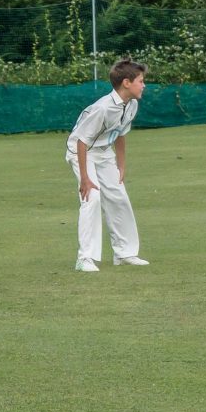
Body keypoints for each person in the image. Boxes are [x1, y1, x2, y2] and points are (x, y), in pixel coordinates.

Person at [68, 59, 149, 273]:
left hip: (104, 153)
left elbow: (120, 134)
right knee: (92, 198)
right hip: (81, 152)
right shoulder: (102, 108)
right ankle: (84, 258)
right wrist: (85, 179)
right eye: (140, 81)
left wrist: (121, 165)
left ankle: (124, 253)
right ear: (126, 83)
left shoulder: (132, 104)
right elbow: (81, 142)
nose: (144, 85)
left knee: (119, 196)